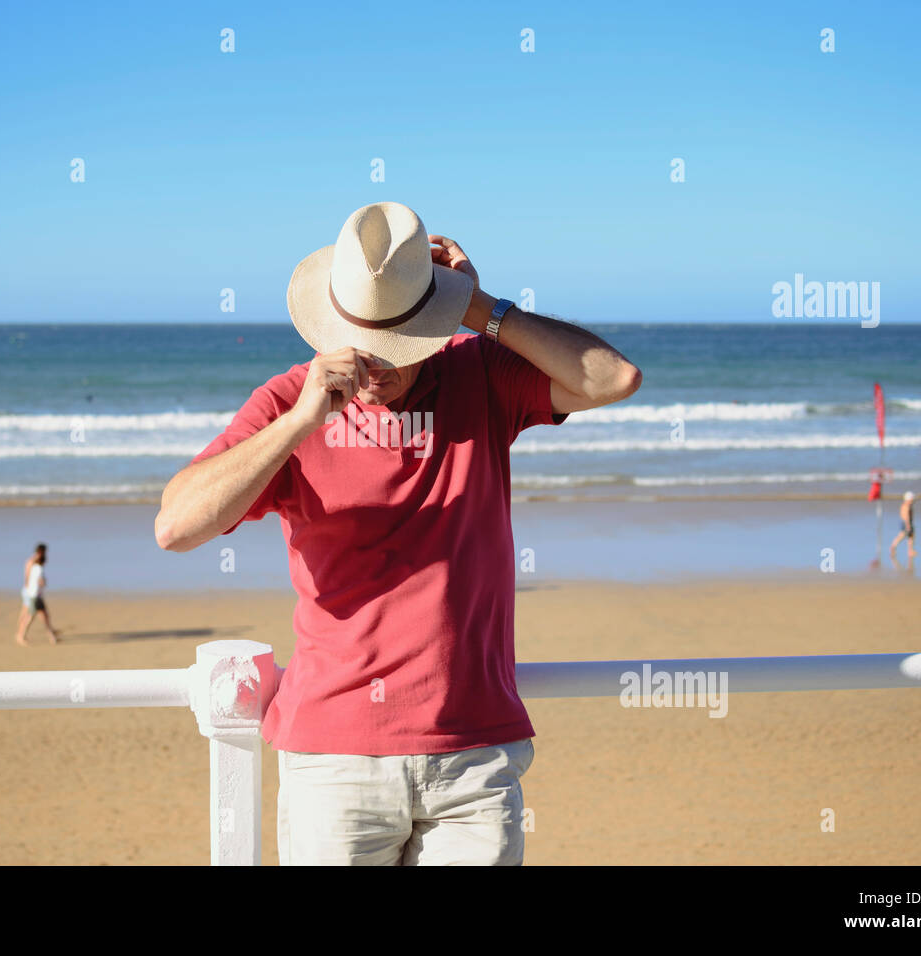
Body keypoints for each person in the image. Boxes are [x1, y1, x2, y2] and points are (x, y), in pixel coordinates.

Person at [154, 202, 641, 865]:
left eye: (397, 348)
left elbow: (614, 378)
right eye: (361, 346)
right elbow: (176, 527)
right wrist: (300, 424)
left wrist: (483, 310)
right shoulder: (286, 403)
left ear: (434, 329)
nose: (375, 369)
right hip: (335, 759)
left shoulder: (480, 373)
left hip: (471, 755)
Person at [15, 543, 59, 645]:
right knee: (30, 615)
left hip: (36, 594)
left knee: (44, 615)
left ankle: (51, 636)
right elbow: (32, 579)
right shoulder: (33, 563)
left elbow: (31, 578)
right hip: (33, 594)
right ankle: (20, 635)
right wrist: (41, 582)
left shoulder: (36, 564)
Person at [889, 490, 917, 559]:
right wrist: (908, 525)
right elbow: (906, 516)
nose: (913, 500)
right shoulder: (906, 506)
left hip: (905, 522)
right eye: (912, 499)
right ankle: (893, 546)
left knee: (910, 536)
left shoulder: (906, 505)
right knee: (902, 535)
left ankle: (910, 550)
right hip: (906, 522)